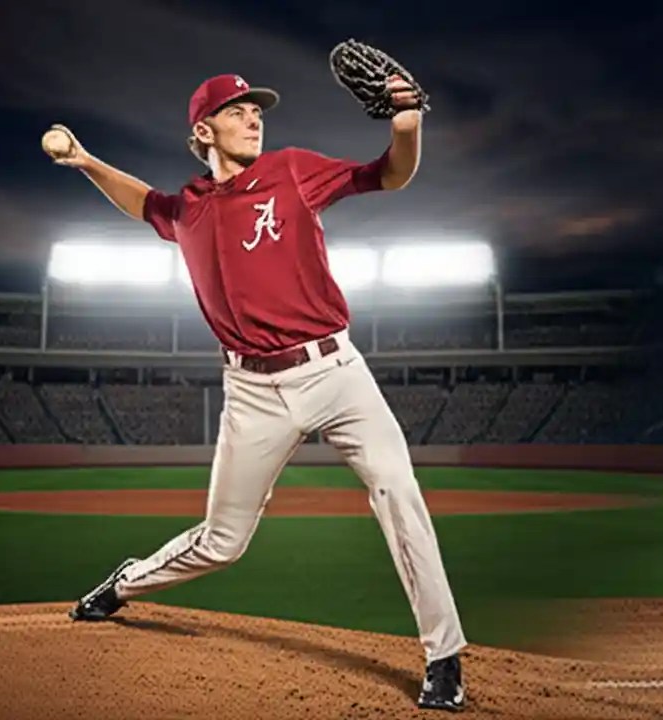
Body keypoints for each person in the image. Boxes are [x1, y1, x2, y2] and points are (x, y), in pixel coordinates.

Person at [54, 71, 468, 712]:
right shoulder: (188, 207)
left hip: (336, 372)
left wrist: (406, 122)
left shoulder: (293, 170)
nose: (254, 118)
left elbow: (389, 174)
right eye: (237, 110)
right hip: (250, 390)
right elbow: (142, 201)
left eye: (257, 110)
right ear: (203, 130)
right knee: (223, 541)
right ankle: (124, 584)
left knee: (398, 492)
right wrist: (83, 161)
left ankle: (444, 656)